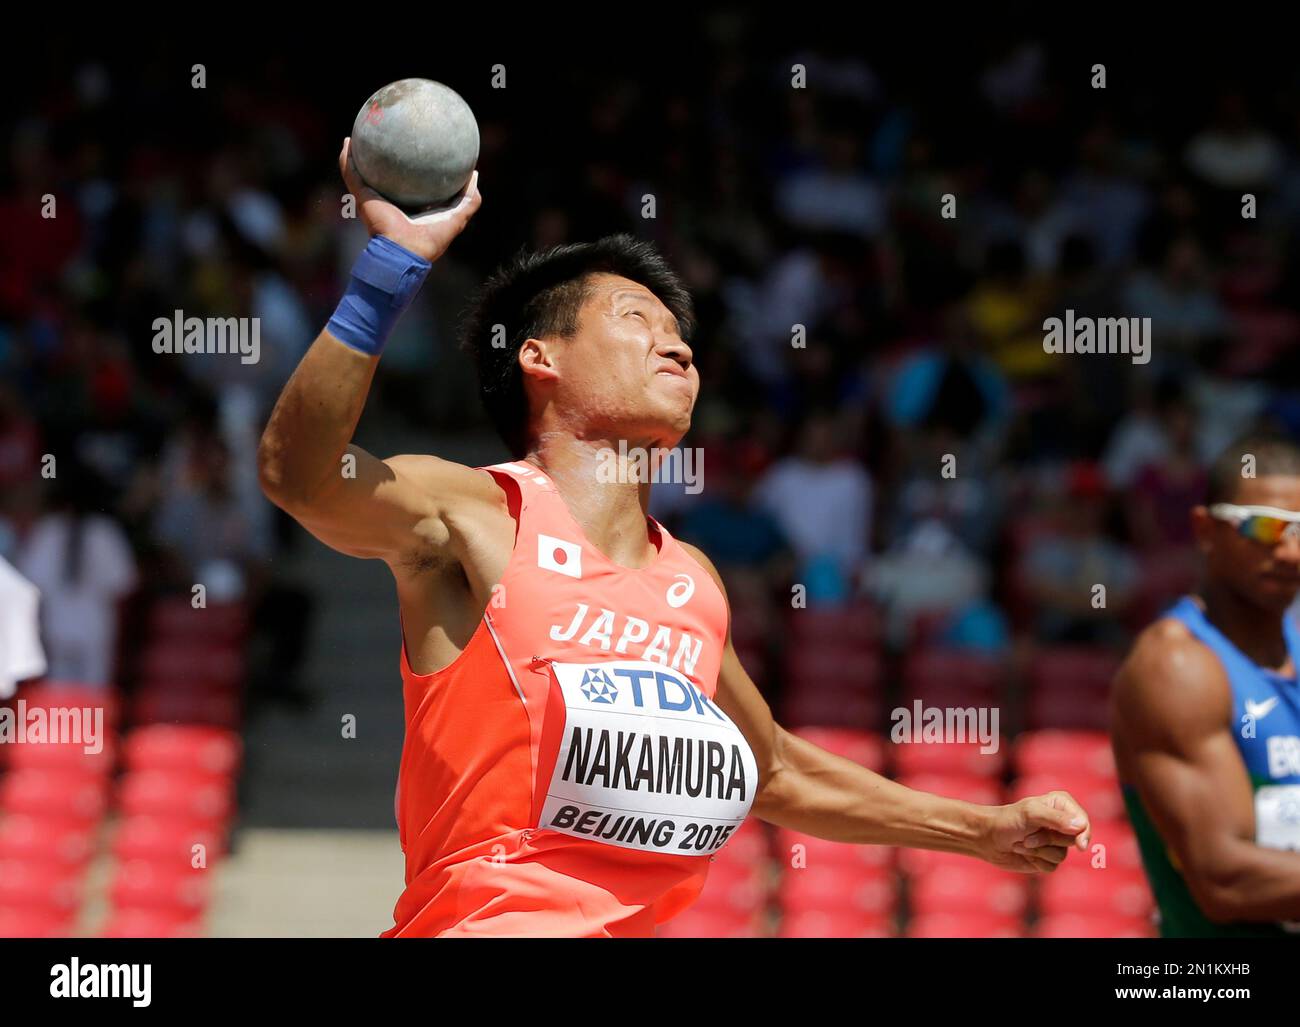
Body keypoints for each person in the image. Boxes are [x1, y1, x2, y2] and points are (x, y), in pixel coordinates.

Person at [256, 138, 1092, 938]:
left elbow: (774, 770)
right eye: (637, 318)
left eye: (681, 331)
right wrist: (387, 272)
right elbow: (300, 475)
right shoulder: (476, 513)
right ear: (540, 357)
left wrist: (982, 830)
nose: (678, 344)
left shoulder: (689, 581)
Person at [1111, 433, 1300, 936]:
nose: (1290, 552)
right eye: (1264, 528)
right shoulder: (1175, 667)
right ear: (1205, 529)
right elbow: (1226, 880)